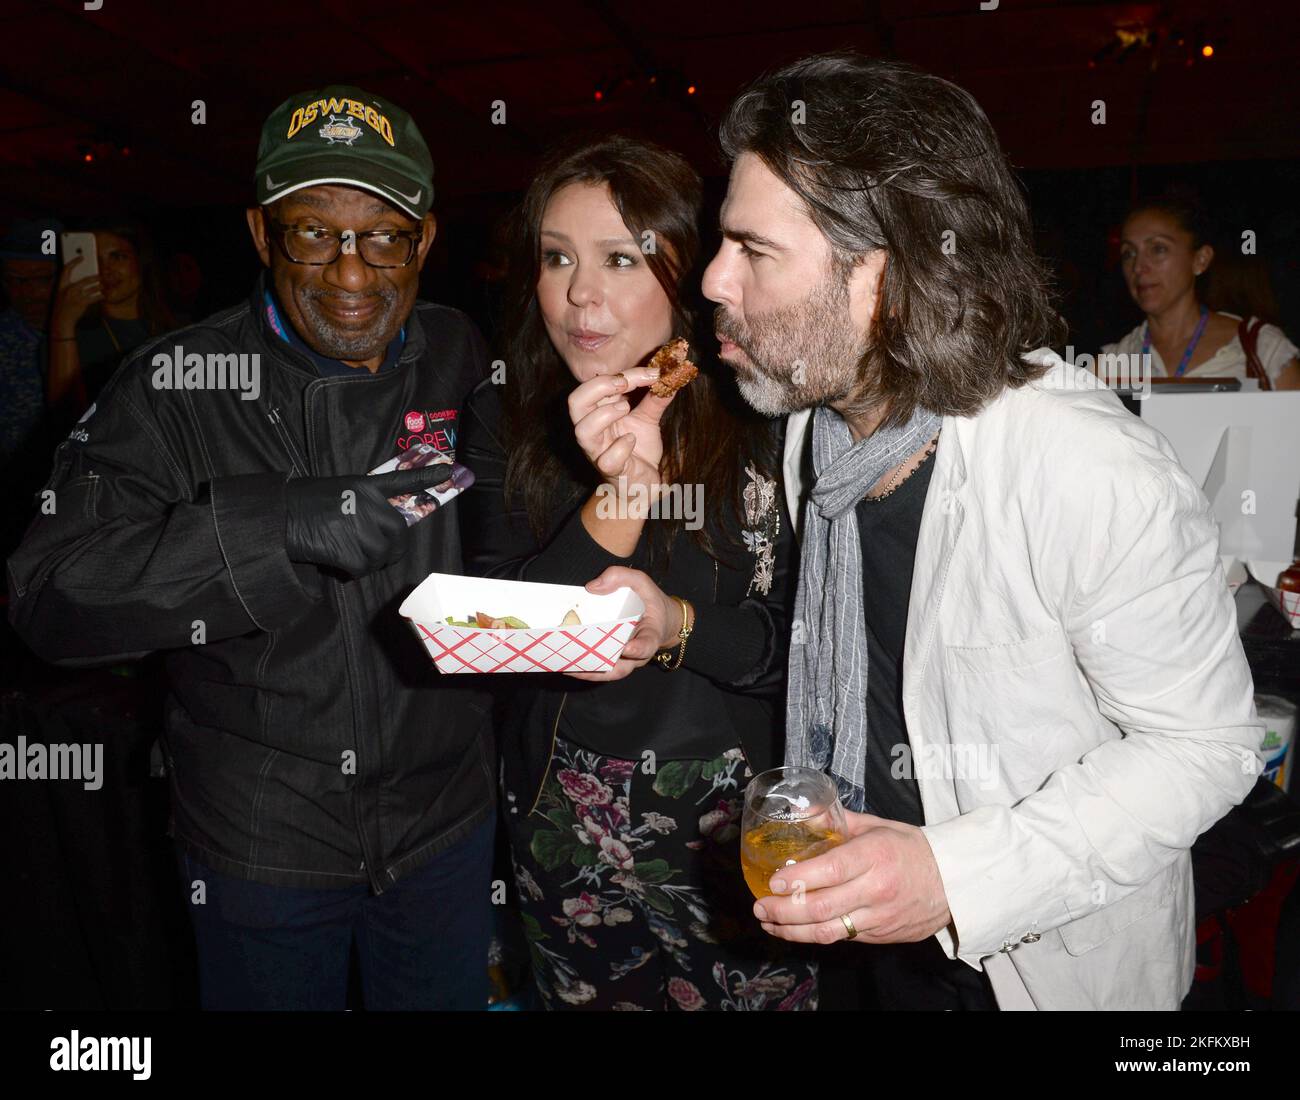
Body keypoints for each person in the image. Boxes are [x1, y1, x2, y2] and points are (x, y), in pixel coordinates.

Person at [702, 53, 1265, 1011]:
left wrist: (954, 876)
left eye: (754, 250)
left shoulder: (1085, 468)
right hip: (861, 947)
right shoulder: (816, 433)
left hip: (1038, 963)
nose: (714, 278)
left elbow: (1208, 749)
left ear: (884, 275)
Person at [7, 85, 496, 1010]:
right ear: (261, 234)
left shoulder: (460, 350)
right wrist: (271, 526)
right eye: (312, 233)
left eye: (384, 234)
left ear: (425, 240)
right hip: (264, 846)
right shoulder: (172, 382)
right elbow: (51, 596)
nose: (351, 274)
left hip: (446, 827)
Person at [458, 135, 817, 1011]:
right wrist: (622, 493)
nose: (581, 293)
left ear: (686, 270)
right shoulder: (505, 413)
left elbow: (810, 646)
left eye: (621, 258)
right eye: (556, 258)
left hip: (741, 820)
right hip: (563, 819)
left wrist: (677, 627)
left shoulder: (771, 413)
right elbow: (508, 637)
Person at [1101, 189, 1300, 389]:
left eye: (1158, 249)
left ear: (1200, 260)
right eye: (1129, 253)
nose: (1138, 267)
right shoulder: (1112, 363)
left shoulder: (1262, 350)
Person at [48, 221, 177, 417]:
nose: (104, 269)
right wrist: (63, 323)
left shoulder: (173, 330)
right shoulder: (71, 338)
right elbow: (65, 418)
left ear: (141, 263)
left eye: (117, 257)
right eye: (93, 259)